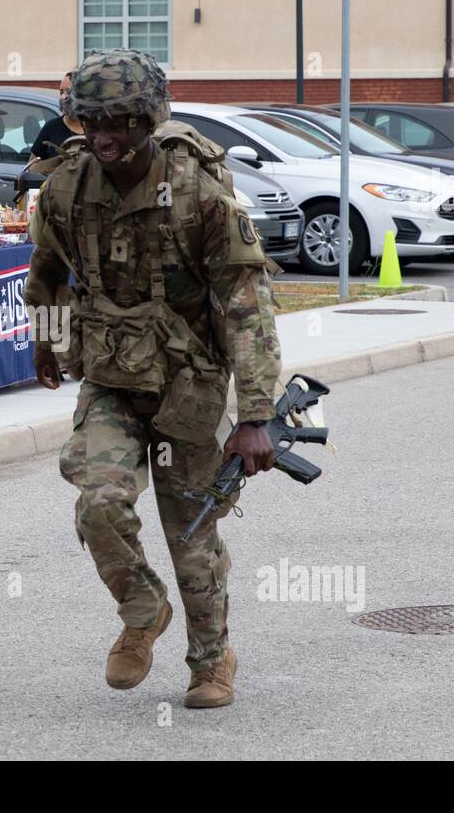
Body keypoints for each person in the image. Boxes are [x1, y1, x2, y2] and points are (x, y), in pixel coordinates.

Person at [23, 49, 283, 709]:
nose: (105, 137)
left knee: (191, 536)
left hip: (185, 388)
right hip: (109, 380)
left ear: (147, 119)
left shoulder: (198, 196)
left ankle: (210, 661)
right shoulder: (65, 188)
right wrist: (50, 342)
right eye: (91, 122)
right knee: (98, 503)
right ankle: (142, 608)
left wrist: (254, 416)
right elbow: (47, 270)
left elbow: (246, 306)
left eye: (120, 122)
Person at [28, 71, 86, 161]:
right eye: (61, 92)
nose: (62, 97)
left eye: (68, 91)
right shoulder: (52, 127)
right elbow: (32, 167)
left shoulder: (97, 128)